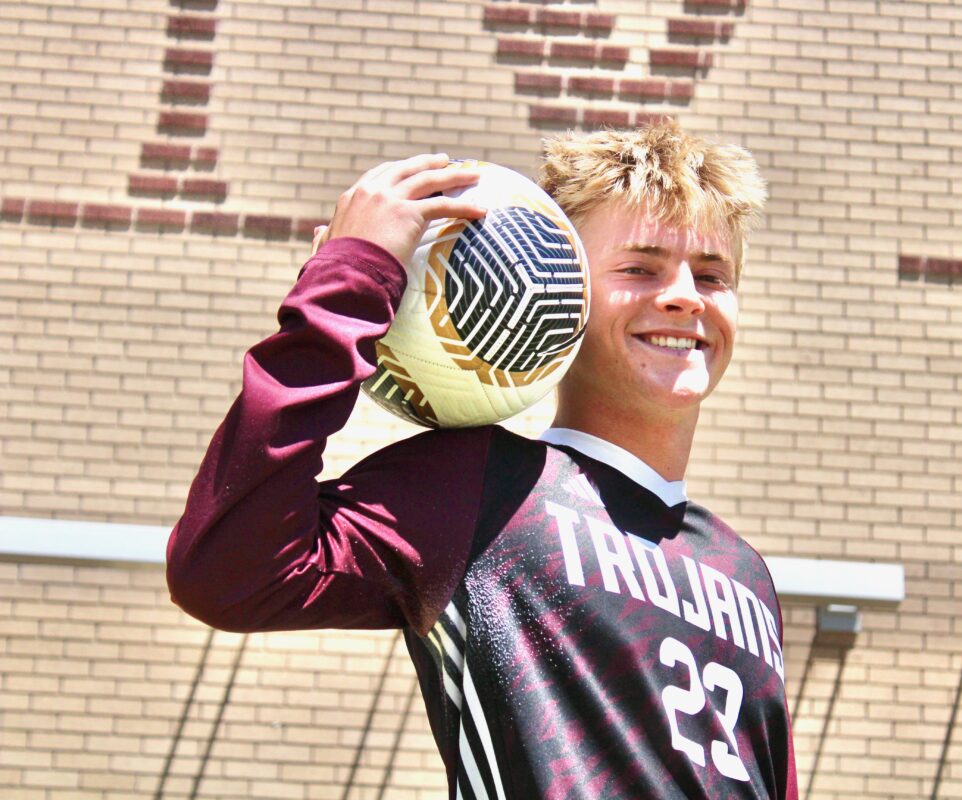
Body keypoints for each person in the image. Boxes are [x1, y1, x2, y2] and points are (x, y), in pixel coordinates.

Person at [167, 120, 798, 799]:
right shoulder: (478, 488)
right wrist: (347, 283)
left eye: (712, 274)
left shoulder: (745, 573)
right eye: (639, 268)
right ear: (565, 296)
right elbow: (226, 570)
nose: (684, 295)